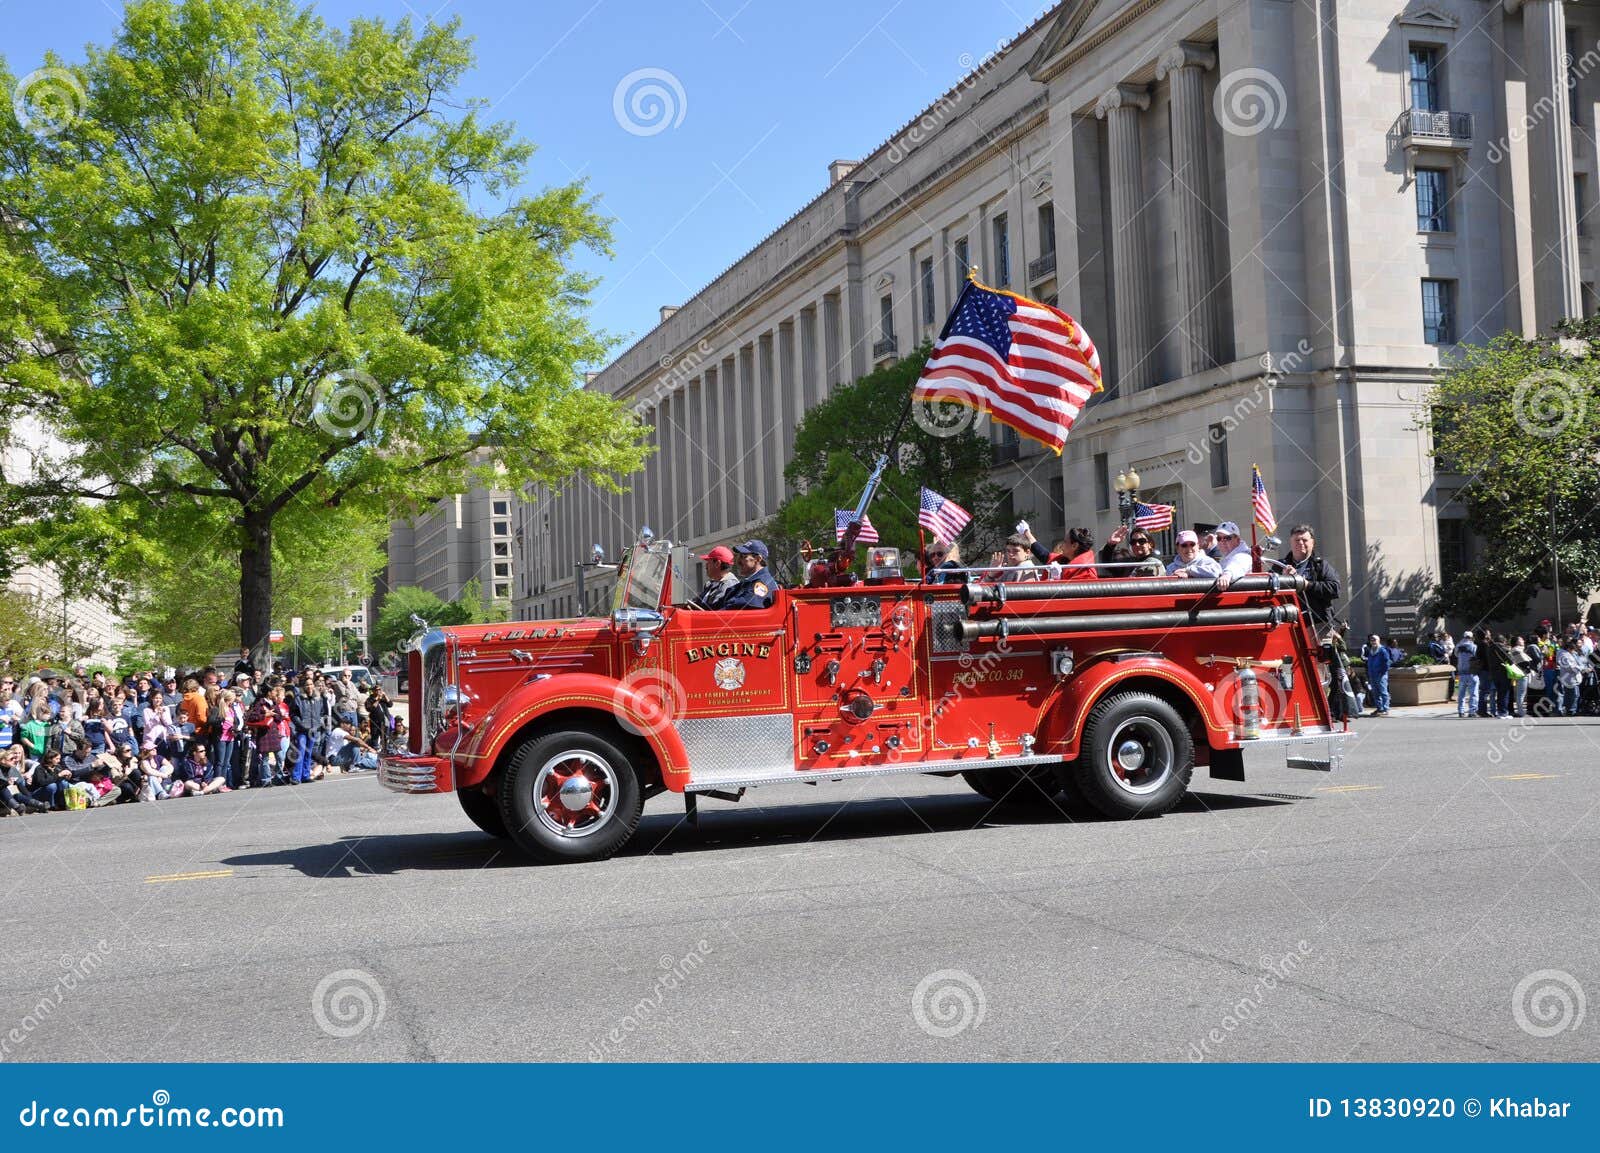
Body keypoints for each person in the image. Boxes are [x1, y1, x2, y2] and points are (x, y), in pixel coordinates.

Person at [1280, 526, 1341, 629]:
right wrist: (1283, 579)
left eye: (1304, 540)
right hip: (1287, 625)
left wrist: (1307, 584)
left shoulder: (1321, 565)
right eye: (1297, 540)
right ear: (1291, 543)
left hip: (1318, 625)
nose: (1300, 543)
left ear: (1312, 543)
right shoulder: (1279, 566)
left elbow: (1335, 589)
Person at [722, 540, 777, 609]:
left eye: (743, 557)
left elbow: (743, 605)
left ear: (758, 559)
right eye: (739, 556)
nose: (738, 561)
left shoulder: (763, 583)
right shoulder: (745, 583)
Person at [1099, 525, 1163, 577]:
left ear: (1150, 544)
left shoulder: (1155, 562)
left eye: (1141, 541)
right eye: (1133, 542)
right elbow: (1107, 565)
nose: (1137, 544)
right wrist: (1111, 544)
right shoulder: (1129, 563)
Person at [1214, 522, 1254, 589]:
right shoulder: (1226, 556)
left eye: (1227, 538)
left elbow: (1238, 563)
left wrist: (1227, 575)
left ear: (1238, 540)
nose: (1222, 541)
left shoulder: (1244, 555)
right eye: (1219, 538)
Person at [1363, 633, 1393, 715]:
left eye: (1374, 640)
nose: (1373, 641)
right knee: (1375, 692)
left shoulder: (1382, 650)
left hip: (1381, 675)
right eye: (1371, 640)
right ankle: (1379, 708)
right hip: (1372, 674)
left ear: (1378, 641)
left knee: (1383, 692)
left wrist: (1382, 672)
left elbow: (1387, 662)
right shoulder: (1370, 650)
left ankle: (1386, 709)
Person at [1556, 637, 1585, 716]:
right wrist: (1581, 668)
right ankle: (1571, 710)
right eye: (1572, 650)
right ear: (1569, 649)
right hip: (1569, 679)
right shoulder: (1564, 656)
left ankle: (1569, 709)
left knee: (1573, 695)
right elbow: (1570, 668)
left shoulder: (1567, 654)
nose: (1573, 651)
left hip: (1571, 678)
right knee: (1573, 695)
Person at [1455, 630, 1479, 718]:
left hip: (1461, 672)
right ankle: (1472, 711)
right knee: (1473, 692)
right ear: (1471, 637)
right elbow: (1476, 657)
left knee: (1461, 693)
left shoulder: (1458, 646)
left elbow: (1456, 655)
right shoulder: (1473, 646)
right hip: (1471, 672)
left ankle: (1461, 711)